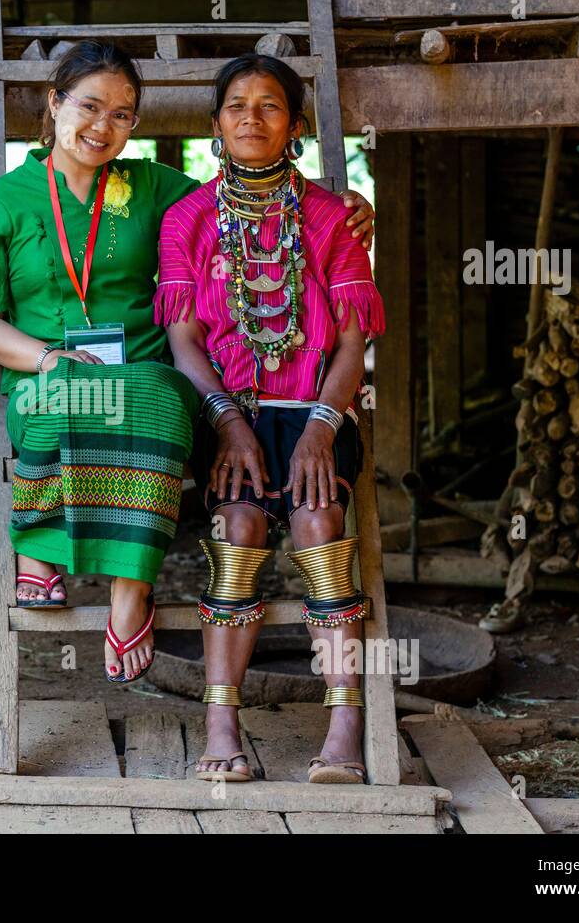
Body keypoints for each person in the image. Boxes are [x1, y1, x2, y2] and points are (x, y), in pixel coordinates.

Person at [0, 41, 375, 685]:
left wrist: (341, 203)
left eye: (122, 115)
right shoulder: (1, 201)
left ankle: (130, 589)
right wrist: (47, 357)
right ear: (55, 103)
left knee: (155, 393)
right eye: (89, 106)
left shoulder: (150, 186)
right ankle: (39, 541)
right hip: (46, 372)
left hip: (147, 375)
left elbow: (249, 188)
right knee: (65, 393)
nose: (103, 126)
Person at [159, 54, 386, 783]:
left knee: (321, 525)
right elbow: (185, 342)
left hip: (318, 409)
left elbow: (351, 341)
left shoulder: (331, 216)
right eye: (236, 105)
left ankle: (345, 721)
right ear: (215, 122)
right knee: (238, 529)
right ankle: (221, 721)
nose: (250, 118)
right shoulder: (187, 219)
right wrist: (227, 421)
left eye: (269, 105)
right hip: (229, 411)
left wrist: (322, 427)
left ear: (295, 125)